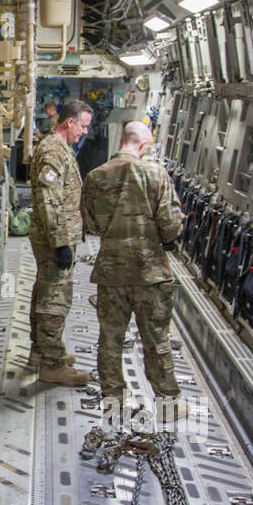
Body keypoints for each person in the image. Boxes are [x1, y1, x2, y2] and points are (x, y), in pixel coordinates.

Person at [80, 120, 188, 426]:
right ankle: (167, 404)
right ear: (143, 145)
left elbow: (91, 224)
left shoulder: (96, 177)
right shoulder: (156, 174)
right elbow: (170, 225)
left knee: (110, 340)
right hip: (150, 275)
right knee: (156, 340)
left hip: (111, 273)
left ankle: (114, 402)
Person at [28, 97, 94, 385]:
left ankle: (41, 352)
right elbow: (48, 200)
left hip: (58, 234)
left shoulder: (59, 148)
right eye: (83, 126)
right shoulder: (53, 151)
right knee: (55, 298)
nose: (85, 132)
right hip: (55, 237)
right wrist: (60, 243)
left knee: (45, 290)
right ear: (70, 122)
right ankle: (52, 365)